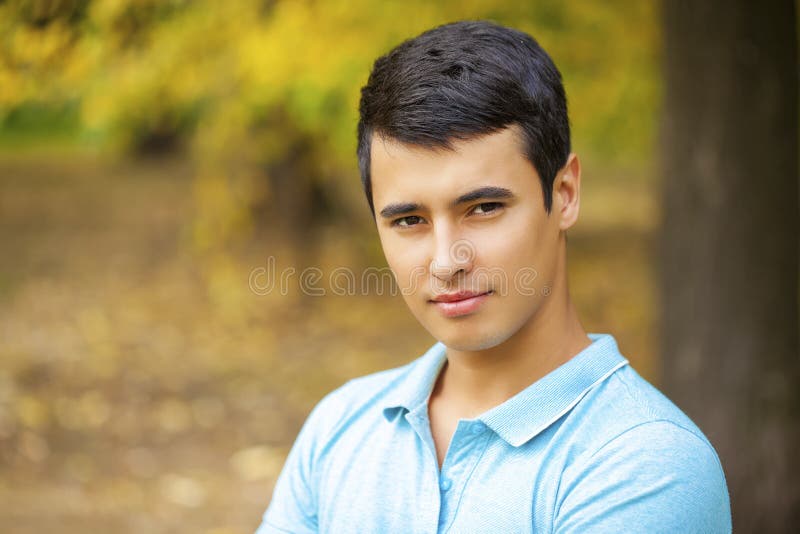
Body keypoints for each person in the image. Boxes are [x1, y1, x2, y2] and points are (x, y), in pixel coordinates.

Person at [256, 20, 731, 533]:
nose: (445, 261)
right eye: (409, 221)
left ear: (565, 193)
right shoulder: (339, 428)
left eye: (483, 208)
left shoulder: (645, 465)